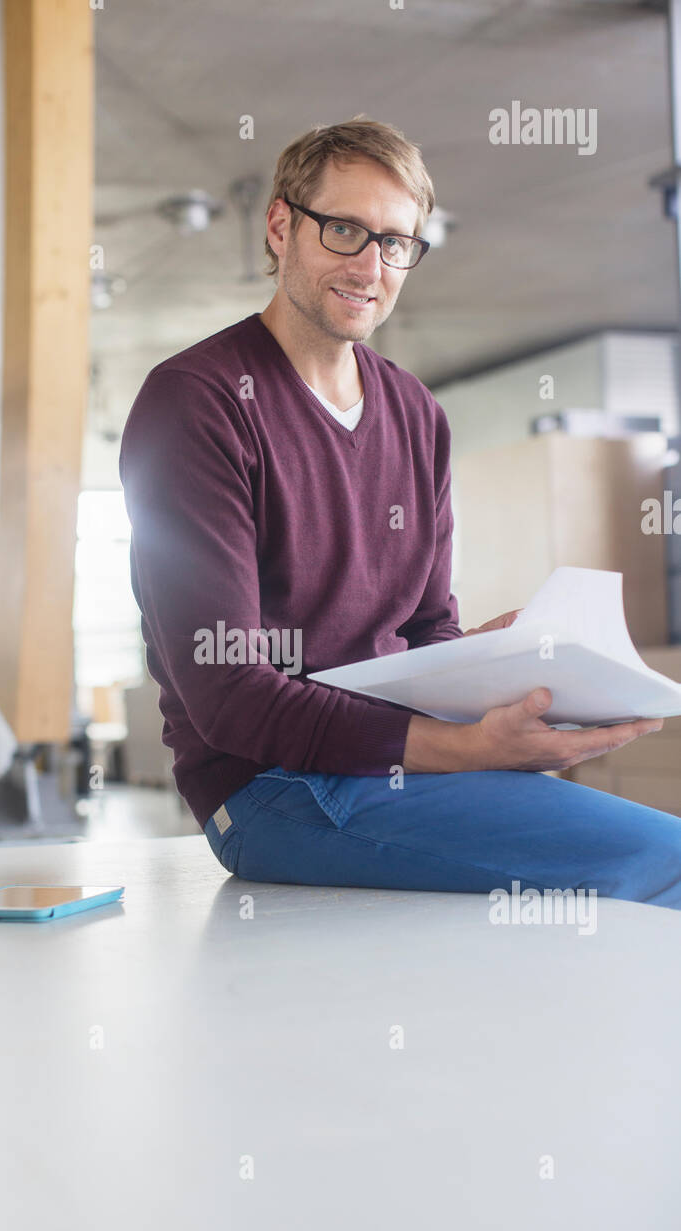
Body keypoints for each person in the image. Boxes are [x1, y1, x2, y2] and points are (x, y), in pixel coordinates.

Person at [119, 115, 680, 909]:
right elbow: (229, 692)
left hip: (394, 772)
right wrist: (464, 747)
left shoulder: (415, 413)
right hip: (269, 791)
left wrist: (495, 674)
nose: (371, 266)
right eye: (344, 230)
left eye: (397, 242)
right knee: (670, 860)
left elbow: (423, 630)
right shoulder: (197, 403)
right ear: (280, 226)